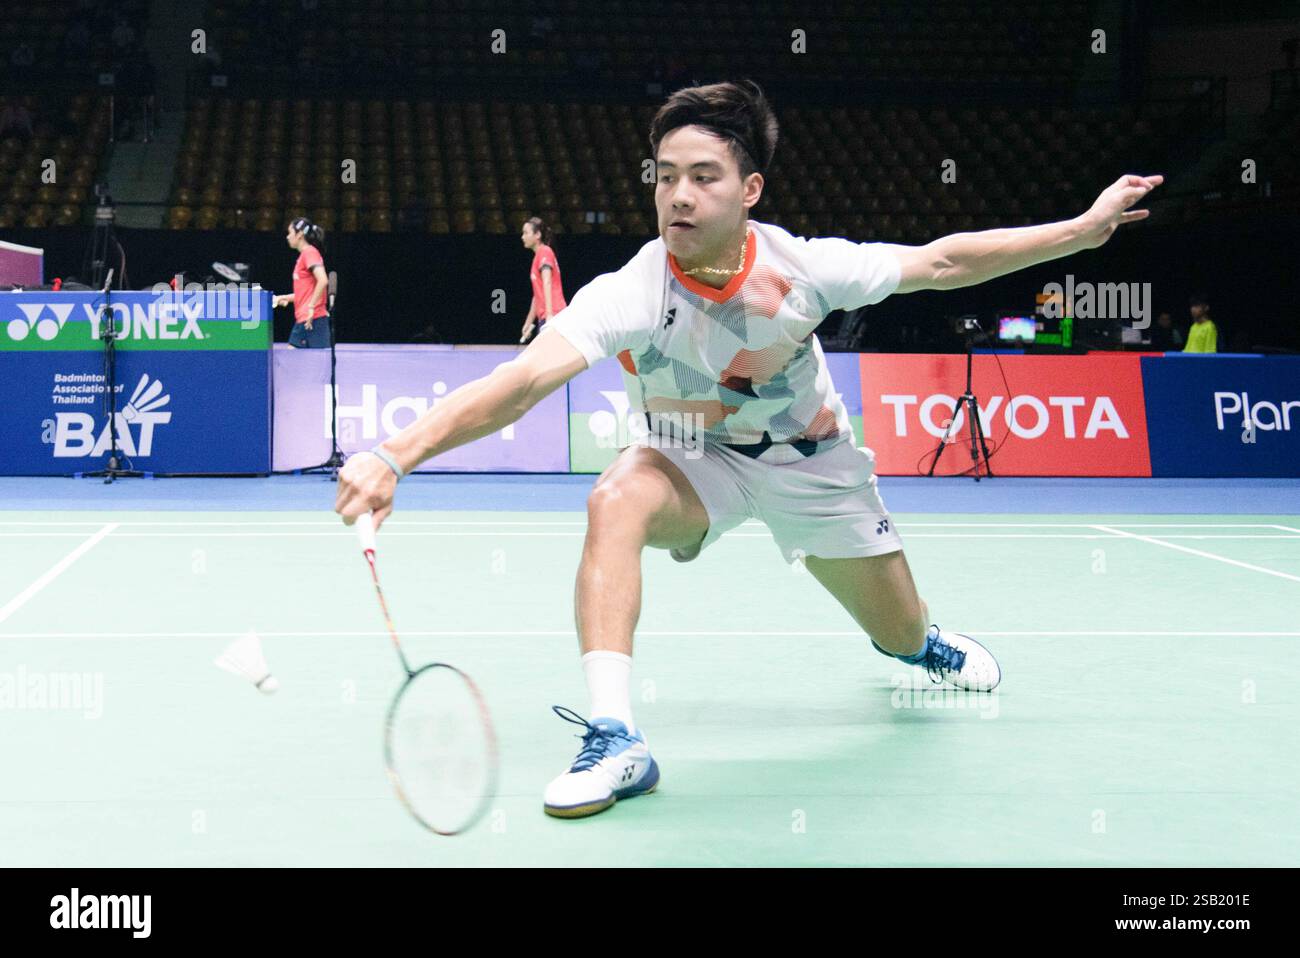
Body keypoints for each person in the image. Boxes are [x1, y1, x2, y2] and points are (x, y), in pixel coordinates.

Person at [334, 80, 1162, 819]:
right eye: (664, 176)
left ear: (750, 190)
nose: (678, 196)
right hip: (691, 456)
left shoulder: (804, 268)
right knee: (613, 499)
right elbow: (524, 379)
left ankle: (918, 645)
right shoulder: (631, 291)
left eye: (703, 177)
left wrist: (1080, 233)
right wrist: (394, 454)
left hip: (812, 466)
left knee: (901, 631)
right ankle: (617, 734)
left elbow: (941, 262)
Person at [275, 217, 330, 348]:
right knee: (302, 364)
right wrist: (284, 298)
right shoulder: (304, 256)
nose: (288, 237)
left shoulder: (310, 253)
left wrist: (311, 307)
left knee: (292, 362)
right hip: (306, 319)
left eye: (290, 233)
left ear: (299, 235)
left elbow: (323, 280)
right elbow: (305, 294)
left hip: (312, 319)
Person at [519, 217, 566, 344]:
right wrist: (528, 322)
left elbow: (547, 282)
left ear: (538, 234)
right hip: (545, 317)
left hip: (554, 314)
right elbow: (537, 295)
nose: (522, 237)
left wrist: (550, 315)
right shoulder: (537, 257)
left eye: (526, 233)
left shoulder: (545, 252)